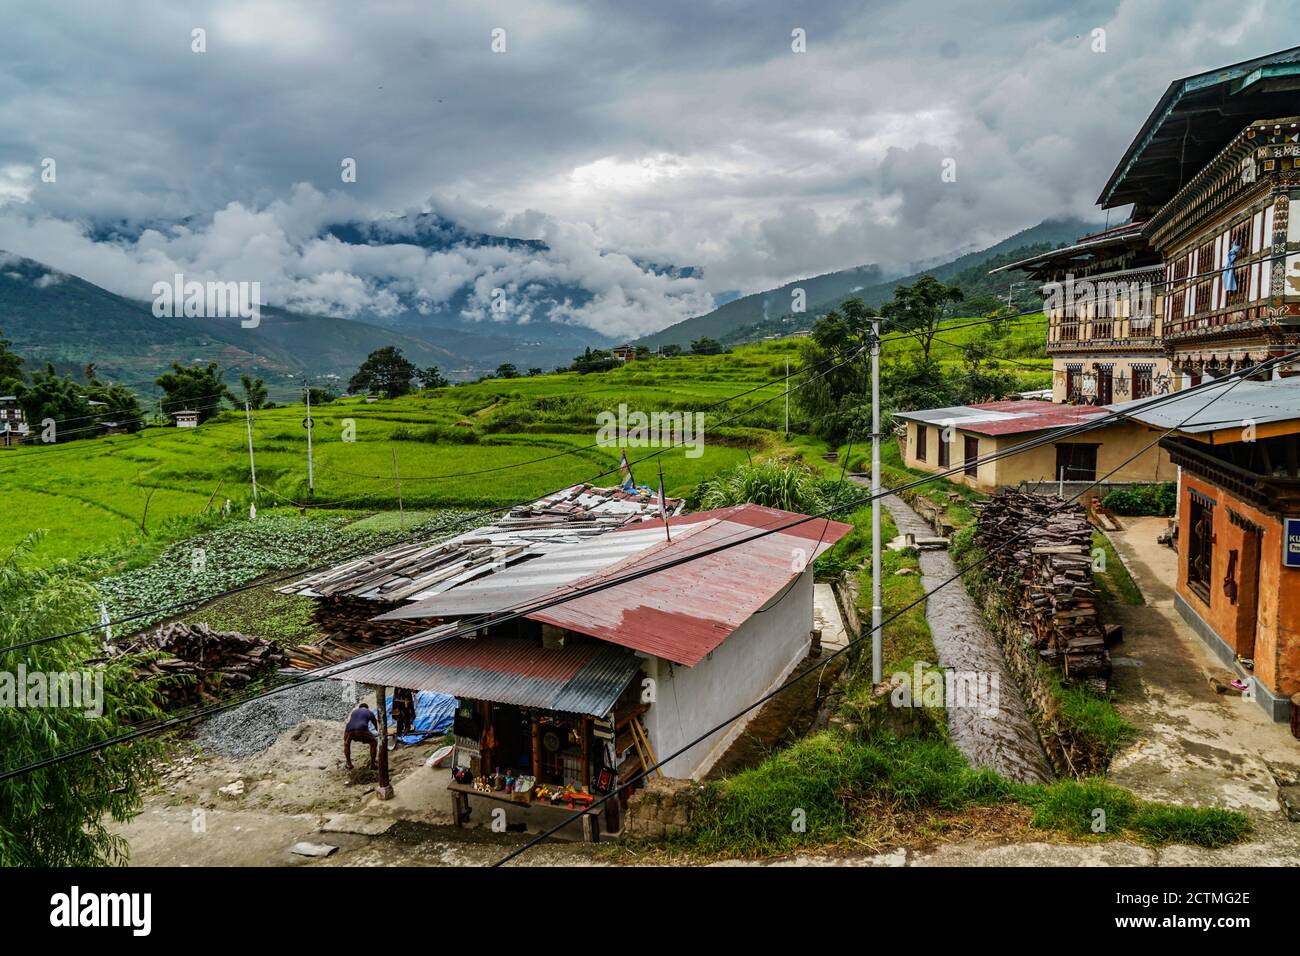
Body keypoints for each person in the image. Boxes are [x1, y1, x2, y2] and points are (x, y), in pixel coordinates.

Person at [343, 702, 378, 770]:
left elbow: (353, 722)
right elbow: (376, 726)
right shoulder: (369, 712)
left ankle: (349, 763)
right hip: (361, 728)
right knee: (374, 742)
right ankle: (373, 764)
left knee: (346, 744)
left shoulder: (354, 712)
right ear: (367, 708)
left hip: (349, 728)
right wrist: (377, 733)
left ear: (359, 708)